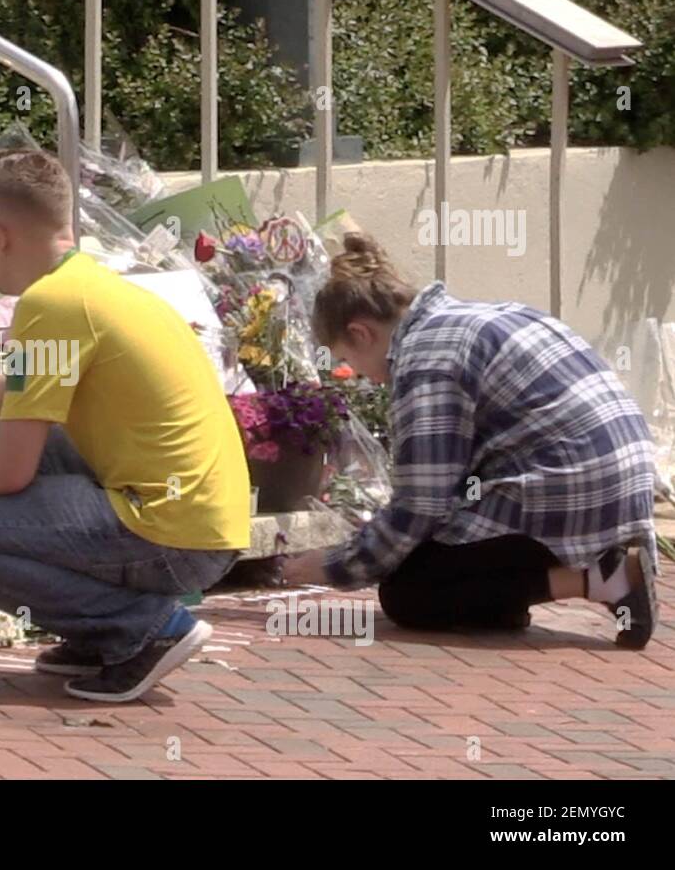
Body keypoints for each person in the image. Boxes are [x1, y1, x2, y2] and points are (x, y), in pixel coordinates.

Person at [0, 149, 252, 702]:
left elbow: (8, 473)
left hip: (173, 535)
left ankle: (140, 630)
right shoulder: (86, 289)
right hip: (202, 524)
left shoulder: (54, 306)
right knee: (16, 432)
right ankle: (96, 634)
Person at [282, 234, 660, 648]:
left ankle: (606, 578)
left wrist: (335, 566)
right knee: (436, 558)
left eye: (346, 360)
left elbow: (421, 507)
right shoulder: (476, 317)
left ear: (360, 333)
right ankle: (507, 599)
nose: (358, 375)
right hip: (618, 482)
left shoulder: (427, 359)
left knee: (410, 592)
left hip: (573, 490)